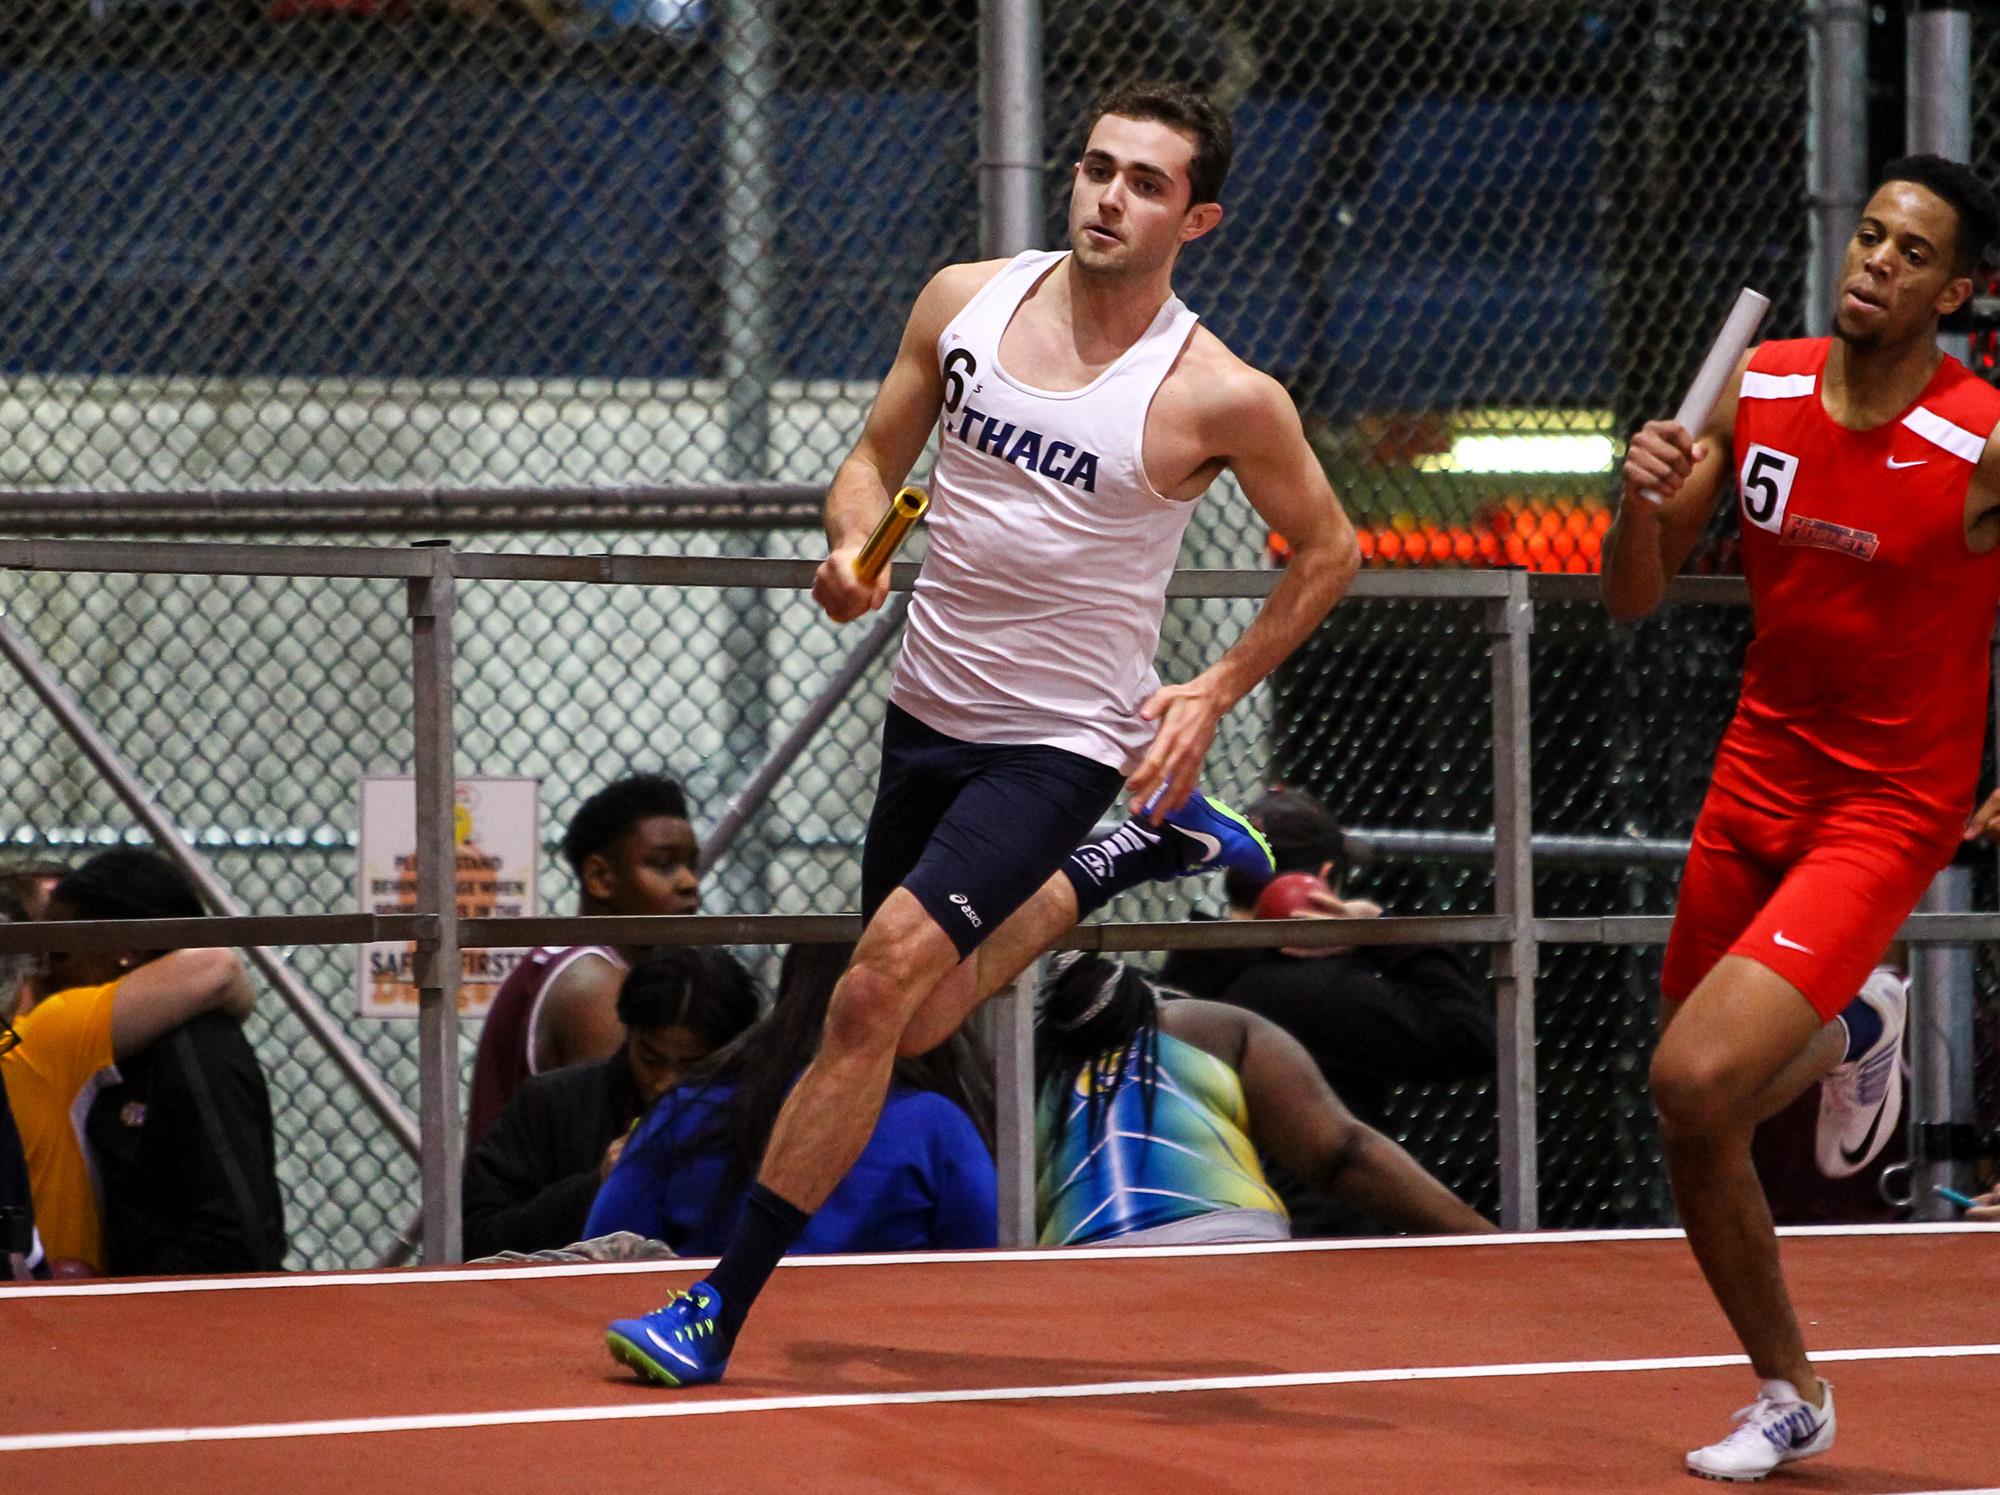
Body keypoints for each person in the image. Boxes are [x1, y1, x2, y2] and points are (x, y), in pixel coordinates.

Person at [602, 77, 1359, 1388]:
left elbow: (1332, 549)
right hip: (925, 716)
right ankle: (1126, 857)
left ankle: (715, 1304)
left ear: (1200, 218)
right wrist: (855, 548)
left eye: (1146, 182)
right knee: (907, 1022)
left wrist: (1217, 685)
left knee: (873, 984)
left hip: (1059, 739)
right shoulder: (965, 302)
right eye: (1097, 167)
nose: (1110, 195)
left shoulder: (1217, 394)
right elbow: (874, 458)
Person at [1600, 155, 2000, 1481]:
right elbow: (1635, 596)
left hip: (1889, 803)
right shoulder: (1758, 380)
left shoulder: (1979, 434)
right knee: (1693, 1117)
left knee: (1689, 1077)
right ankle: (1790, 1387)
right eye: (1868, 234)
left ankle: (1842, 1023)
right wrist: (1637, 498)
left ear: (1958, 288)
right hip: (1757, 771)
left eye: (1910, 249)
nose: (1875, 260)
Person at [1037, 952, 1493, 1247]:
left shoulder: (1026, 1075)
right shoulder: (1213, 1026)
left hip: (1077, 1263)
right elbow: (1345, 1154)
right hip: (1230, 1239)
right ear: (1152, 996)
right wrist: (1491, 1242)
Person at [589, 943, 996, 1256]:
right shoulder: (939, 1128)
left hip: (706, 1344)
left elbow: (608, 1255)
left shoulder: (689, 1110)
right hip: (878, 1348)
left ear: (792, 994)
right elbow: (976, 1274)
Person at [1160, 787, 1494, 1147]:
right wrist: (1383, 928)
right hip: (1315, 1200)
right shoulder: (1317, 989)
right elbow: (1469, 1037)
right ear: (1323, 878)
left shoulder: (1187, 974)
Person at [1, 849, 263, 1274]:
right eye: (56, 952)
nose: (57, 972)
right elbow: (220, 967)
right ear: (31, 961)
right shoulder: (46, 1034)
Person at [463, 944, 757, 1259]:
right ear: (629, 1034)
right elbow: (478, 1237)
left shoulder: (758, 1112)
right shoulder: (552, 1104)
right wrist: (597, 1185)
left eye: (694, 1067)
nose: (665, 1085)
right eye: (650, 1058)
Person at [467, 773, 701, 1149]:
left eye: (692, 864)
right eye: (663, 865)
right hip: (560, 1204)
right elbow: (611, 1148)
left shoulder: (563, 957)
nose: (689, 881)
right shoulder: (595, 985)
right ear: (600, 878)